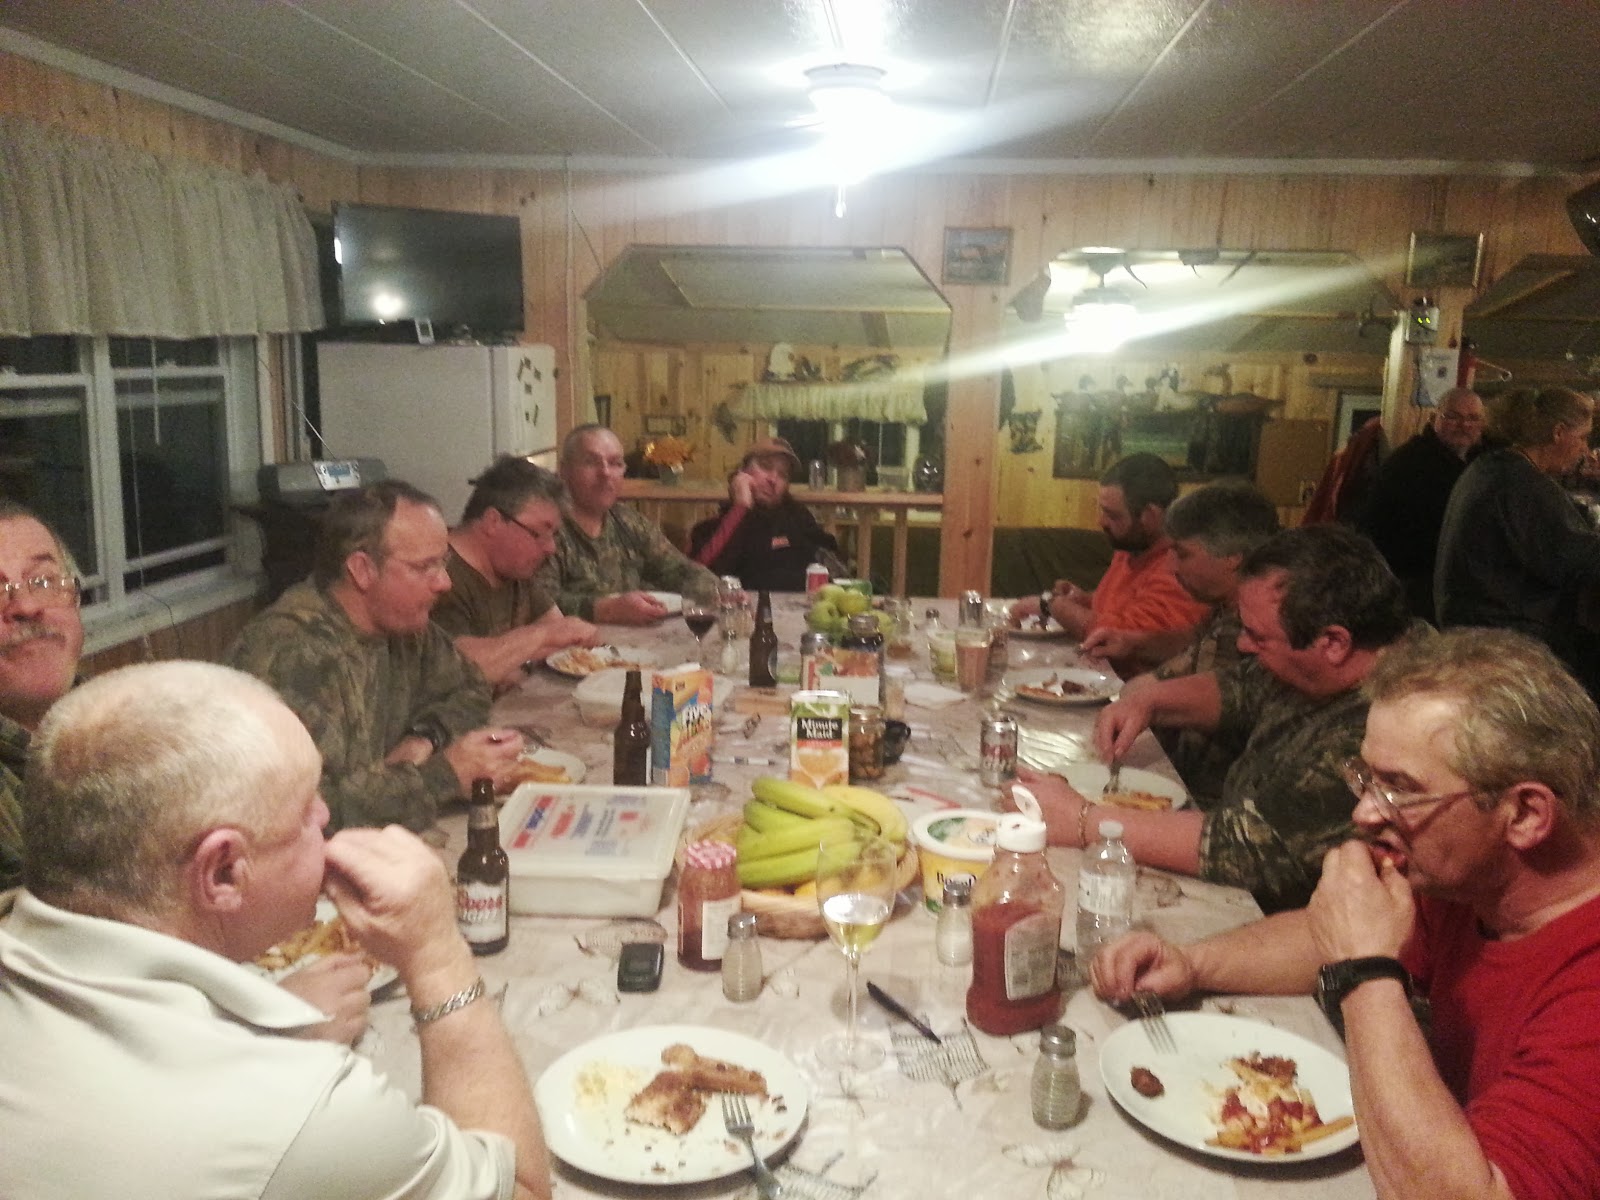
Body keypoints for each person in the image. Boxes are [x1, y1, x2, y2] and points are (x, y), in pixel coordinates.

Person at [0, 660, 551, 1200]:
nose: (326, 815)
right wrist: (436, 954)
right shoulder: (300, 1108)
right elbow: (523, 1186)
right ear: (222, 872)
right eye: (304, 806)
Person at [1091, 629, 1600, 1200]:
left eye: (1400, 789)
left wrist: (1364, 971)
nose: (1363, 812)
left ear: (1526, 814)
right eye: (1367, 779)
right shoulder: (1475, 881)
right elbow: (1326, 936)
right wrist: (1193, 962)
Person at [1009, 524, 1412, 913]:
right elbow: (1243, 687)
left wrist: (1083, 821)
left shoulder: (1391, 719)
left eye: (1258, 637)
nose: (1242, 644)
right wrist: (1148, 700)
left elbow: (1251, 846)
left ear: (1334, 643)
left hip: (1281, 923)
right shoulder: (1326, 664)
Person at [227, 481, 526, 833]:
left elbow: (470, 687)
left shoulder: (404, 625)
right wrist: (443, 776)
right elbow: (307, 811)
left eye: (442, 562)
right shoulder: (295, 652)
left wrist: (425, 737)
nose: (444, 582)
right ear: (362, 570)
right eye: (424, 567)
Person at [1082, 480, 1281, 796]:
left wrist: (1145, 696)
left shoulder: (1262, 626)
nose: (1172, 567)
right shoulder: (1223, 609)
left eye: (1182, 553)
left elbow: (1213, 684)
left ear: (1234, 557)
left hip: (1210, 801)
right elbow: (1195, 647)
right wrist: (1136, 642)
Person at [1435, 386, 1600, 696]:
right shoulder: (1523, 484)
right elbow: (1578, 561)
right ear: (1558, 433)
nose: (1586, 449)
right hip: (1505, 644)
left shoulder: (1492, 466)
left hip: (1473, 629)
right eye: (1583, 437)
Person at [429, 456, 599, 691]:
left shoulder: (515, 568)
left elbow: (567, 642)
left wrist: (523, 657)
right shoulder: (440, 578)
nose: (551, 547)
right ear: (493, 521)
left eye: (554, 535)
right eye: (539, 533)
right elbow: (457, 666)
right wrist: (538, 638)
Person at [1008, 453, 1209, 648]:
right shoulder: (1131, 545)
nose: (1101, 521)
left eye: (1112, 515)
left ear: (1150, 515)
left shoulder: (1180, 568)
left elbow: (1121, 636)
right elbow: (1123, 607)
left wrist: (1051, 604)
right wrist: (1084, 600)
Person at [542, 424, 717, 624]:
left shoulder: (629, 521)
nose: (605, 473)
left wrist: (720, 591)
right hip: (569, 650)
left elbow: (679, 570)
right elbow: (535, 603)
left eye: (615, 463)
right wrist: (605, 609)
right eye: (591, 462)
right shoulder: (546, 529)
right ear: (564, 471)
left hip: (632, 647)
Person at [1359, 386, 1486, 620]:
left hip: (1445, 584)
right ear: (1433, 417)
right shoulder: (1410, 463)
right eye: (1453, 416)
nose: (1464, 425)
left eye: (1473, 418)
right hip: (1413, 585)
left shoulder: (1478, 461)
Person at [688, 437, 840, 591]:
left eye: (783, 475)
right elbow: (696, 576)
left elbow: (832, 565)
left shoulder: (799, 518)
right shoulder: (713, 527)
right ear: (743, 471)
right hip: (741, 610)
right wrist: (741, 507)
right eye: (765, 467)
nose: (773, 479)